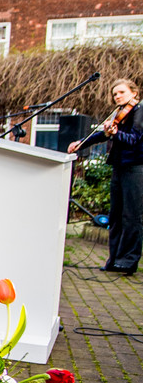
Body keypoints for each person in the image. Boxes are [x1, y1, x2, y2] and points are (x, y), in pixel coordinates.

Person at [68, 78, 141, 275]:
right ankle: (114, 259)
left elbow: (134, 140)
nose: (117, 96)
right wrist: (81, 143)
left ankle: (128, 261)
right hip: (119, 167)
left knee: (132, 216)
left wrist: (115, 133)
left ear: (134, 93)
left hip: (135, 168)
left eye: (122, 92)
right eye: (115, 94)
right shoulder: (119, 114)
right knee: (115, 215)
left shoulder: (139, 111)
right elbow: (102, 135)